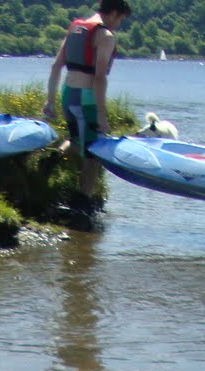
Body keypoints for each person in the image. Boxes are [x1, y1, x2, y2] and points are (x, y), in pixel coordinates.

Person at [43, 0, 132, 216]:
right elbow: (99, 77)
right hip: (86, 99)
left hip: (68, 94)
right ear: (112, 13)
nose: (118, 24)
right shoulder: (106, 36)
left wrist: (50, 101)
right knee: (93, 153)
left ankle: (53, 158)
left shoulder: (76, 28)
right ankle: (84, 205)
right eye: (120, 19)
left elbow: (56, 66)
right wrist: (102, 114)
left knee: (75, 141)